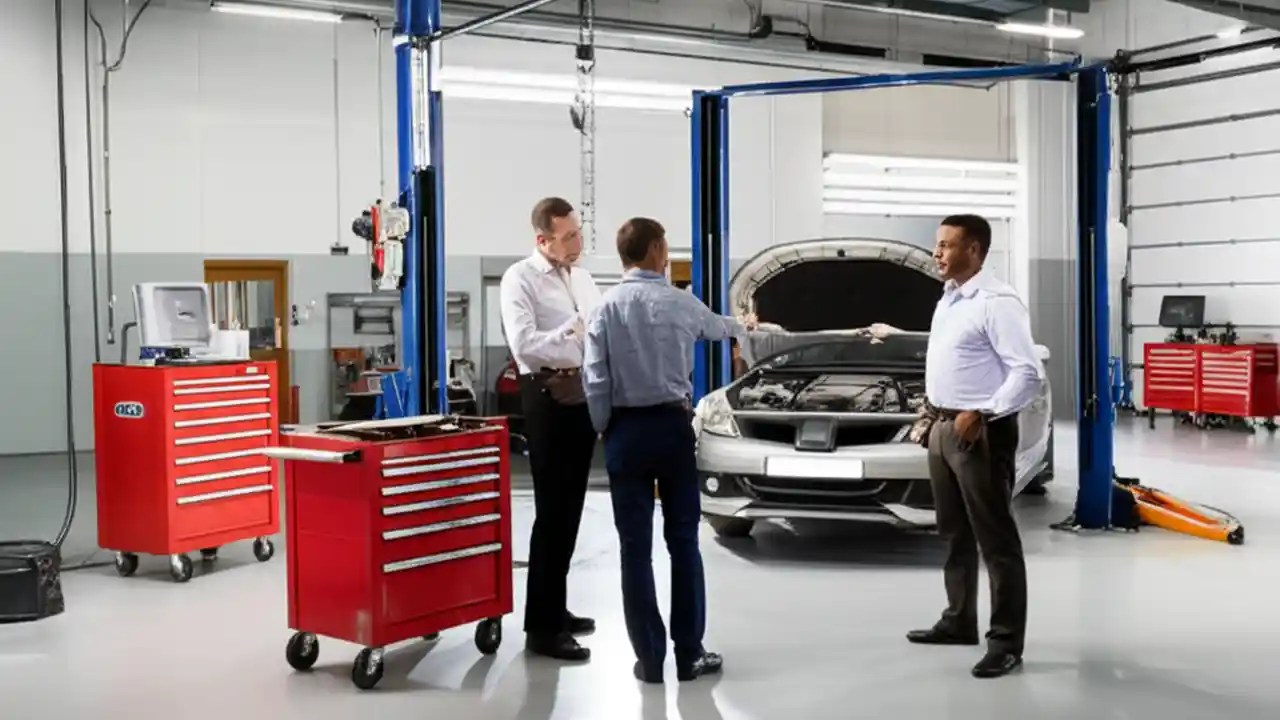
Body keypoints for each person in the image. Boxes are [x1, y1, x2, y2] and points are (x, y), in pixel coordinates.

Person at [582, 217, 756, 684]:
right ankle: (689, 654)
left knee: (633, 549)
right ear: (658, 249)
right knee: (683, 544)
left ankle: (650, 658)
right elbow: (720, 329)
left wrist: (605, 428)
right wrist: (751, 324)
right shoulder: (680, 302)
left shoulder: (604, 309)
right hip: (672, 429)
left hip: (625, 431)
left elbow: (594, 379)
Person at [907, 214, 1043, 679]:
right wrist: (934, 414)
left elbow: (1026, 372)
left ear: (976, 251)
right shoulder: (948, 299)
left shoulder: (997, 302)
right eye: (937, 244)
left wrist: (982, 412)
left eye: (947, 245)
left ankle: (1005, 643)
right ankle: (958, 620)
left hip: (980, 431)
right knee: (953, 533)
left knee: (996, 541)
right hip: (944, 428)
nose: (937, 253)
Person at [499, 197, 602, 662]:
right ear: (542, 239)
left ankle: (555, 608)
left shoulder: (580, 277)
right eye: (568, 237)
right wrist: (570, 332)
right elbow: (523, 343)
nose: (578, 243)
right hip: (545, 396)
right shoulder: (519, 278)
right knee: (552, 513)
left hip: (581, 394)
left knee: (572, 510)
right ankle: (541, 629)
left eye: (578, 233)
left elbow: (598, 328)